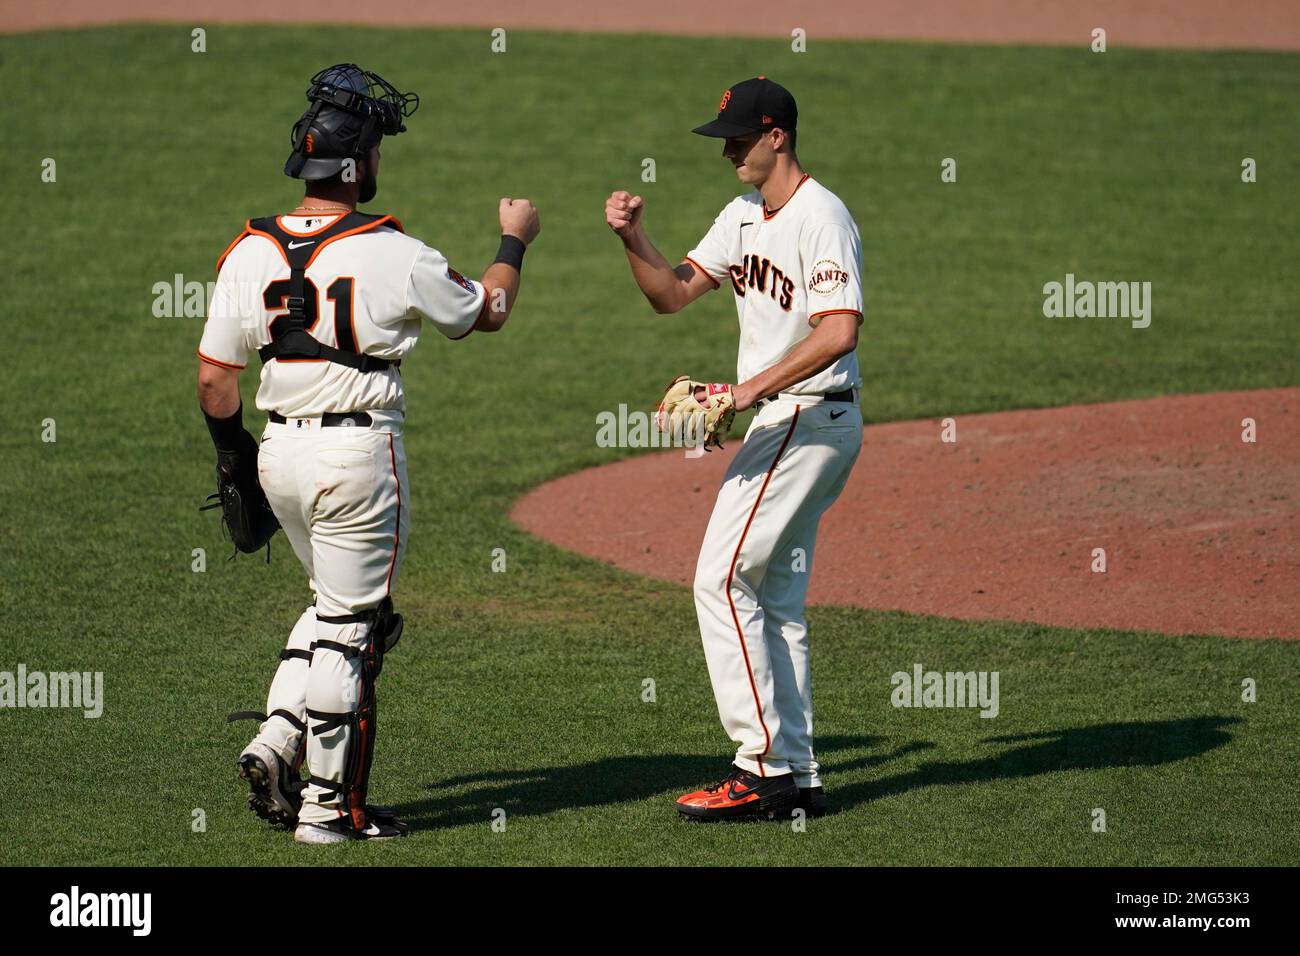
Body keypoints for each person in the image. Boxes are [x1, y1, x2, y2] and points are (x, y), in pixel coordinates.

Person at [196, 63, 539, 843]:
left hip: (279, 456)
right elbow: (486, 312)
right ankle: (328, 810)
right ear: (358, 166)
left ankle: (276, 742)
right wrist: (513, 240)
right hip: (356, 460)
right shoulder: (395, 251)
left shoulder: (247, 252)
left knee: (335, 609)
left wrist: (232, 459)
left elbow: (216, 378)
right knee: (354, 630)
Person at [604, 76, 863, 820]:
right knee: (774, 598)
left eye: (739, 140)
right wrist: (633, 240)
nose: (728, 153)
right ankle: (799, 773)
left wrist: (747, 392)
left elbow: (839, 329)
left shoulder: (823, 217)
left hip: (807, 420)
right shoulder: (744, 214)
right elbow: (673, 293)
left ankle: (762, 767)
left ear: (777, 135)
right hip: (787, 422)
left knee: (720, 581)